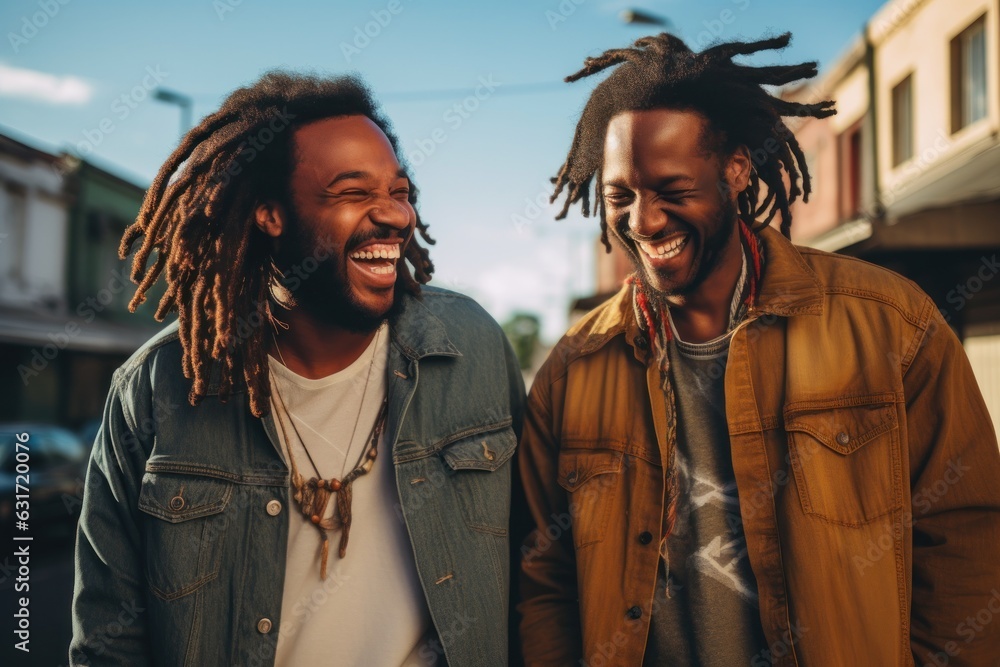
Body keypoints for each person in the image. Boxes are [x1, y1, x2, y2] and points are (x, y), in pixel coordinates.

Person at [515, 32, 1000, 666]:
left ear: (736, 170)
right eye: (620, 197)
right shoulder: (573, 368)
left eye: (672, 190)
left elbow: (966, 545)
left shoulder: (891, 326)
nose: (644, 221)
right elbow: (544, 581)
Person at [70, 71, 524, 666]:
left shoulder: (471, 349)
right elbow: (108, 643)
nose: (394, 215)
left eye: (400, 191)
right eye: (352, 193)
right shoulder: (157, 390)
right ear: (270, 214)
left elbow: (537, 575)